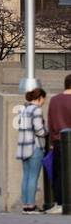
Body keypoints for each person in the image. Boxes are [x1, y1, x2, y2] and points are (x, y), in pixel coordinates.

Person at [17, 87, 49, 214]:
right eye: (43, 100)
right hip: (35, 147)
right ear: (40, 98)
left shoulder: (24, 109)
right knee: (33, 177)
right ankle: (31, 206)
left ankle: (25, 205)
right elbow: (39, 130)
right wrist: (48, 131)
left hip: (23, 147)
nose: (43, 102)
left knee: (26, 175)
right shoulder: (36, 110)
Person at [47, 74, 71, 213]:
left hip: (57, 141)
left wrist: (51, 142)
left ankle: (60, 203)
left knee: (59, 173)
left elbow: (50, 122)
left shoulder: (54, 100)